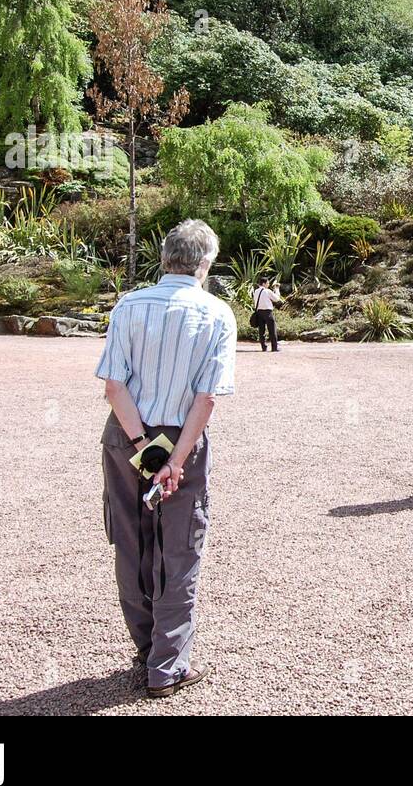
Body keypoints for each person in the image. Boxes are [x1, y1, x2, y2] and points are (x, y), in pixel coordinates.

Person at [95, 219, 236, 699]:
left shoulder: (129, 305)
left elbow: (115, 387)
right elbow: (207, 398)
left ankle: (145, 648)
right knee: (179, 547)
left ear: (164, 258)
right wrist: (174, 460)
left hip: (126, 437)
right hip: (182, 438)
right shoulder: (217, 313)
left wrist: (142, 448)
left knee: (131, 543)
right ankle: (167, 665)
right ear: (204, 263)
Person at [251, 276, 281, 353]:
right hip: (267, 312)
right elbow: (277, 299)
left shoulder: (256, 291)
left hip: (259, 312)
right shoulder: (267, 291)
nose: (268, 284)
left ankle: (263, 347)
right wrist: (276, 289)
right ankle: (274, 347)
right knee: (272, 330)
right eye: (267, 283)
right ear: (264, 283)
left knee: (261, 331)